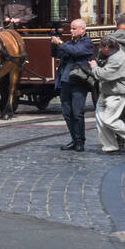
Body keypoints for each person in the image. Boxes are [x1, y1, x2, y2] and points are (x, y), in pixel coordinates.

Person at [51, 19, 95, 153]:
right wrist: (54, 43)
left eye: (74, 28)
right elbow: (56, 54)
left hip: (78, 83)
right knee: (67, 113)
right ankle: (74, 139)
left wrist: (60, 43)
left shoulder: (87, 43)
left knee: (77, 113)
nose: (71, 31)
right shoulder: (69, 43)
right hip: (65, 81)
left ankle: (80, 141)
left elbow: (76, 52)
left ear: (83, 30)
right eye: (70, 28)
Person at [90, 35, 125, 154]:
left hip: (118, 93)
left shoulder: (117, 58)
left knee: (109, 120)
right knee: (100, 119)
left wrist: (94, 67)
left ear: (107, 47)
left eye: (101, 47)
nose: (99, 49)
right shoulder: (110, 54)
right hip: (107, 91)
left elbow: (103, 74)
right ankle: (110, 146)